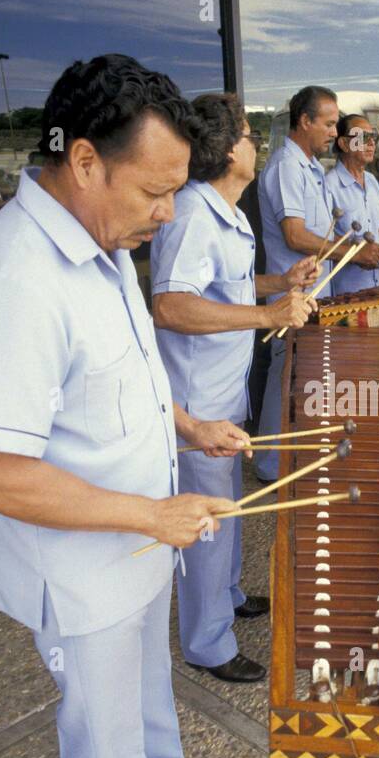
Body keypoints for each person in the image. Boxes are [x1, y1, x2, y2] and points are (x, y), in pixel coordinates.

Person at [0, 54, 247, 758]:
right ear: (83, 161)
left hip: (140, 541)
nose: (169, 212)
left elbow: (117, 378)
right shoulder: (15, 277)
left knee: (147, 688)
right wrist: (154, 509)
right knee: (104, 720)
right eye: (155, 191)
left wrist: (186, 425)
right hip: (83, 564)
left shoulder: (102, 242)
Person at [151, 94, 319, 685]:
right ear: (226, 151)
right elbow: (171, 305)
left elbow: (229, 287)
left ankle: (227, 597)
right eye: (249, 136)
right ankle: (208, 642)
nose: (257, 146)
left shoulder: (226, 208)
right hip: (197, 404)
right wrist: (268, 317)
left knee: (227, 511)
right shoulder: (195, 213)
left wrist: (280, 284)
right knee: (206, 523)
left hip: (223, 395)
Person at [256, 85, 339, 481]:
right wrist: (344, 246)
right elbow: (294, 234)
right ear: (304, 121)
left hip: (312, 290)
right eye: (329, 123)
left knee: (303, 376)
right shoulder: (287, 165)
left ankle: (289, 459)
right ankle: (271, 464)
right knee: (287, 375)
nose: (334, 132)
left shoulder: (307, 165)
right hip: (293, 291)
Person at [324, 114, 379, 295]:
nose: (371, 143)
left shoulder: (372, 181)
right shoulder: (329, 185)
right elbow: (322, 238)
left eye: (373, 137)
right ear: (344, 143)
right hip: (345, 294)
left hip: (376, 288)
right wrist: (357, 252)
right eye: (363, 137)